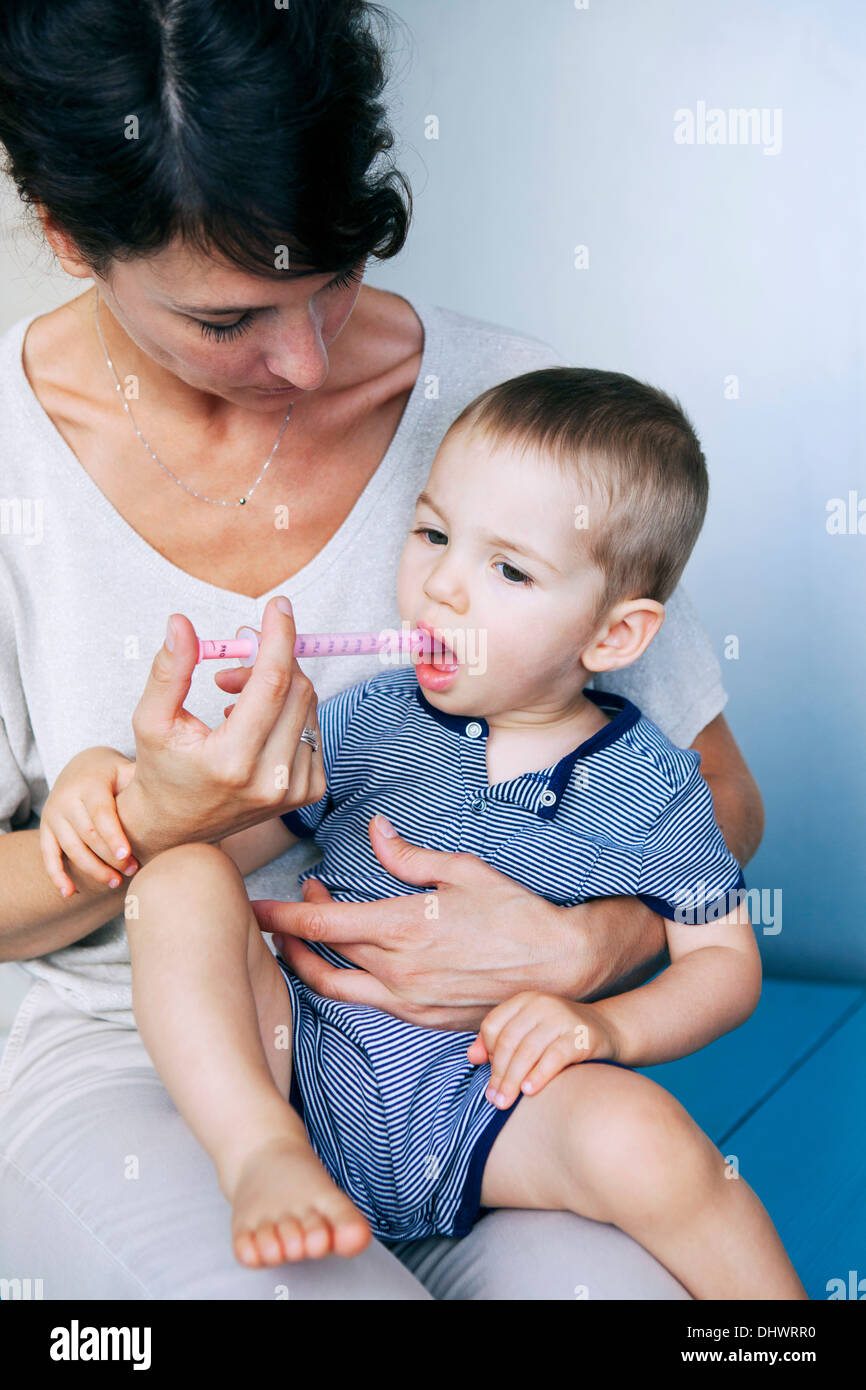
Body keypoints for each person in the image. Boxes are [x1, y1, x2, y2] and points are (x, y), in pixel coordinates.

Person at [0, 1, 763, 1299]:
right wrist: (151, 812)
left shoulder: (514, 417)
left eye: (334, 280)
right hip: (129, 1047)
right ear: (70, 238)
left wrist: (590, 951)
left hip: (452, 1060)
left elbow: (714, 799)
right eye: (229, 320)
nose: (303, 359)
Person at [40, 366, 805, 1299]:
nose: (440, 586)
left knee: (653, 1144)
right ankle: (256, 1155)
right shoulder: (368, 720)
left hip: (489, 1104)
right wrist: (110, 787)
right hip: (301, 1071)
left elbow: (723, 966)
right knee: (178, 886)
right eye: (434, 534)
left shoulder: (655, 787)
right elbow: (199, 848)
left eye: (509, 569)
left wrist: (606, 1026)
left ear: (613, 637)